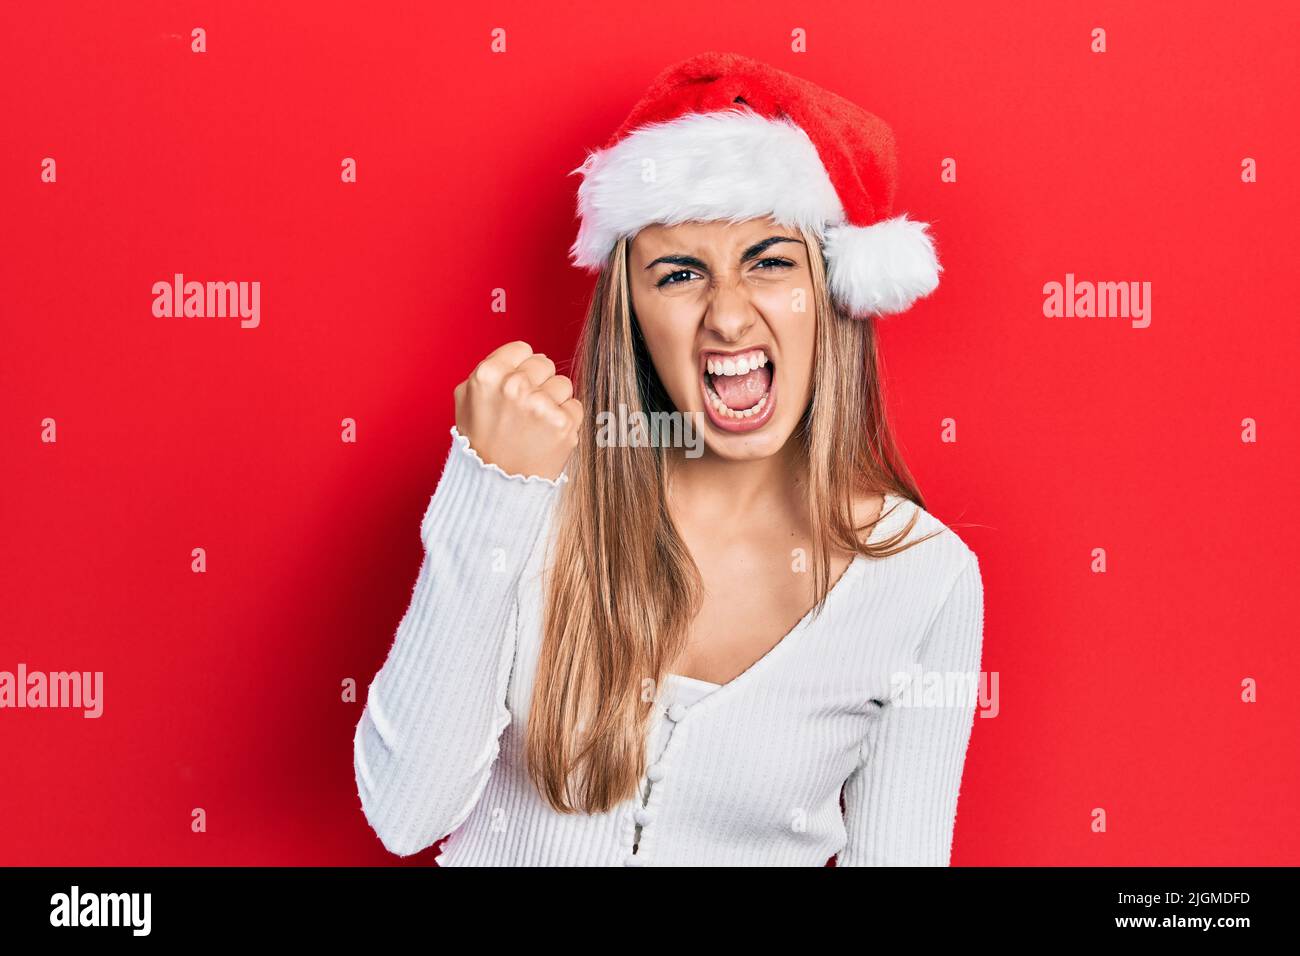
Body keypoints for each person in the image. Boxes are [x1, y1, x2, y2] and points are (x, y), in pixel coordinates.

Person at [352, 51, 985, 866]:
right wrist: (489, 493)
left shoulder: (925, 579)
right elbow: (407, 812)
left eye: (770, 262)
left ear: (832, 292)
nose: (727, 317)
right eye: (680, 274)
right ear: (633, 312)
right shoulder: (533, 496)